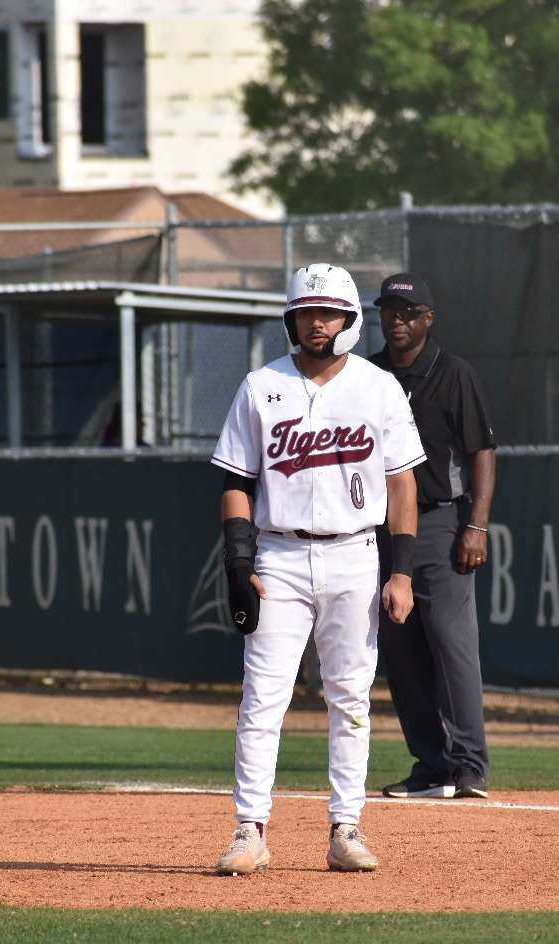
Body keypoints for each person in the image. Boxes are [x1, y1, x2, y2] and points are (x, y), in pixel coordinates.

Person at [210, 263, 425, 875]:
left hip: (356, 553)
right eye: (307, 311)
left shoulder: (378, 387)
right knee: (263, 698)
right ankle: (250, 829)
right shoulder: (260, 386)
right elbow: (236, 482)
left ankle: (345, 827)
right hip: (277, 555)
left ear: (350, 320)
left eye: (329, 311)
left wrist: (402, 570)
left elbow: (402, 481)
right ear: (291, 318)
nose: (317, 322)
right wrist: (237, 561)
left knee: (351, 697)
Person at [368, 272, 498, 801]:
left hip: (439, 522)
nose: (396, 320)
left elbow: (481, 452)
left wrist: (476, 524)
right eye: (389, 311)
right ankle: (432, 764)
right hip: (375, 526)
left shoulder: (453, 373)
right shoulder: (367, 374)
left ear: (428, 318)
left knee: (452, 643)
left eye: (408, 312)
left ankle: (469, 766)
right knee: (400, 651)